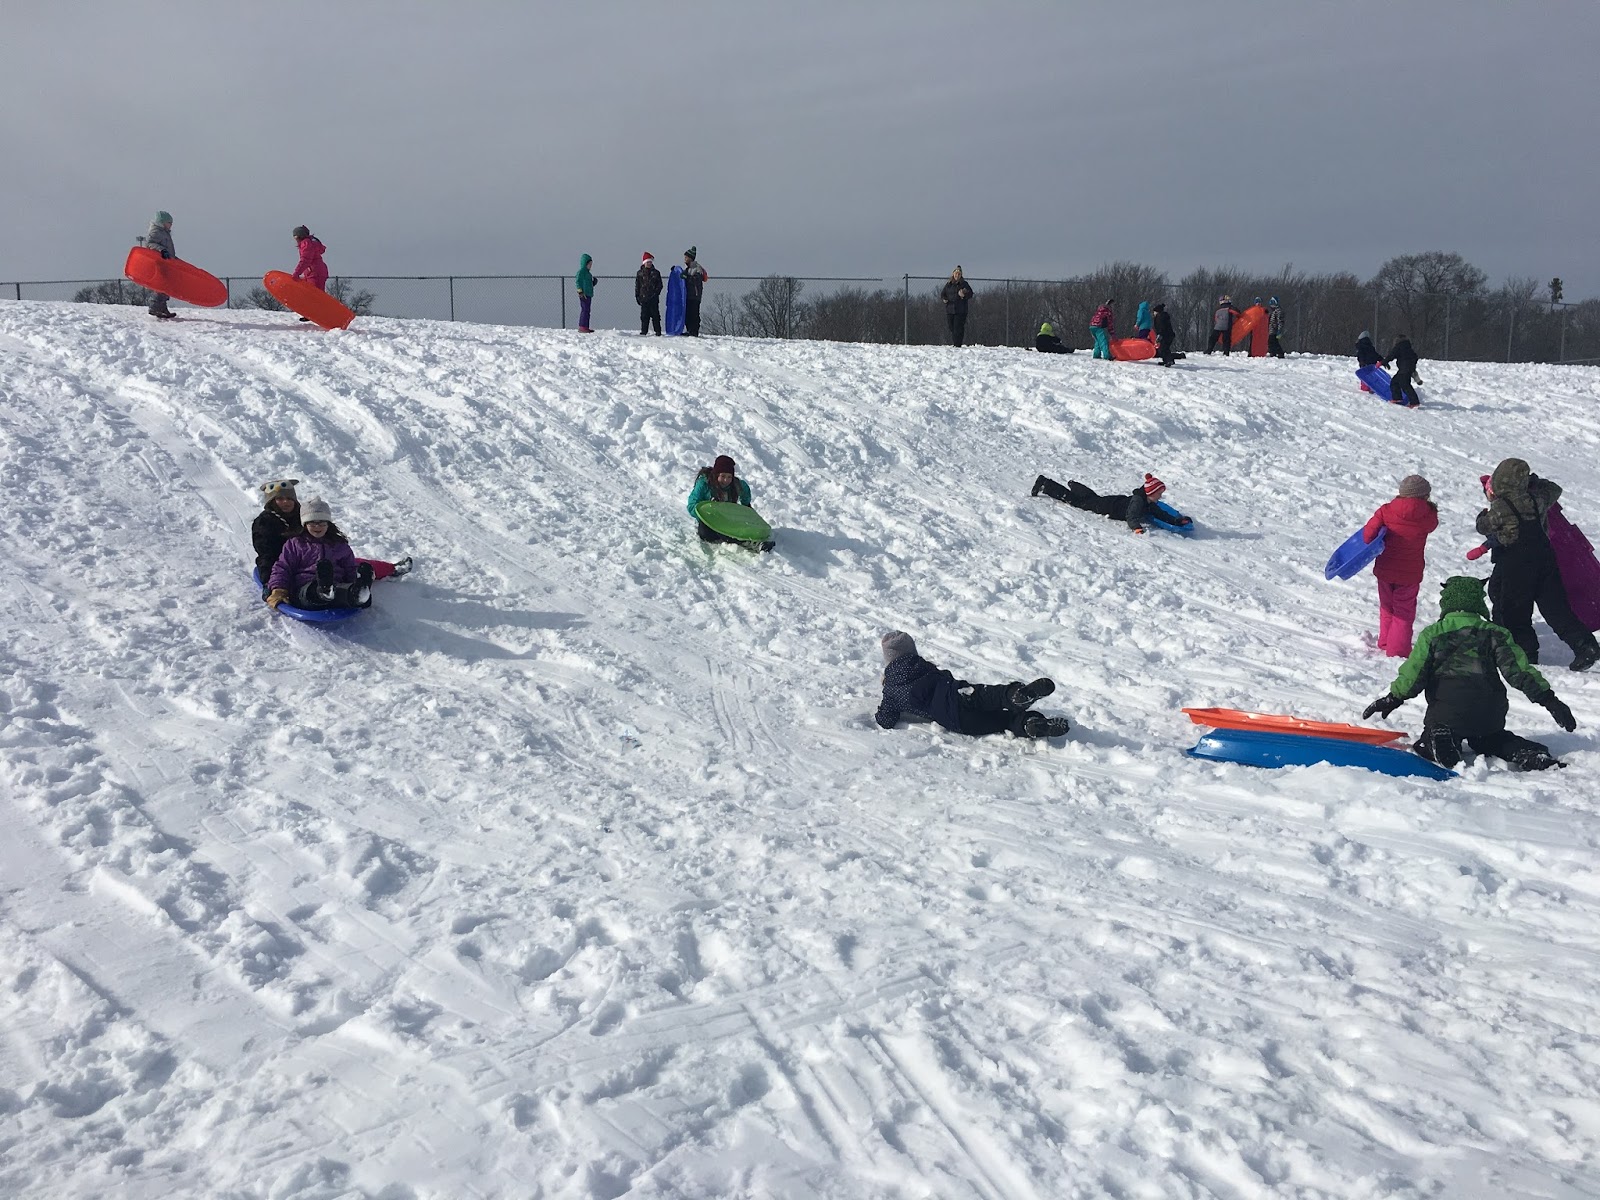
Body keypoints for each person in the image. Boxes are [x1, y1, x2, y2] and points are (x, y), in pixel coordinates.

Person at [1361, 576, 1575, 771]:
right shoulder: (1496, 633)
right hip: (1489, 713)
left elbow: (1414, 675)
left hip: (1448, 711)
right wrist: (1549, 699)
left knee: (1427, 741)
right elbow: (1518, 671)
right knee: (1492, 739)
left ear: (1447, 602)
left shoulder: (1433, 634)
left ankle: (1438, 741)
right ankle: (1529, 753)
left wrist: (1394, 698)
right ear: (1478, 603)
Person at [1475, 458, 1600, 670]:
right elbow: (1554, 488)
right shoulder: (1536, 498)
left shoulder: (1501, 507)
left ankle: (1526, 655)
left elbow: (1483, 527)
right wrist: (1533, 482)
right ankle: (1585, 645)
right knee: (1556, 608)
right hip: (1545, 558)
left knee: (1515, 611)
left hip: (1517, 562)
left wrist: (1481, 516)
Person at [875, 632, 1070, 739]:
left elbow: (886, 721)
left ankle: (1030, 725)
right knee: (995, 695)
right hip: (961, 694)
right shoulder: (924, 666)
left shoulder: (891, 691)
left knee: (1004, 721)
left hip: (958, 722)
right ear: (912, 652)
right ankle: (1015, 695)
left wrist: (885, 705)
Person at [252, 479, 409, 599]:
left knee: (355, 564)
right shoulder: (265, 522)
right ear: (271, 502)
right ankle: (323, 591)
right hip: (292, 562)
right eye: (280, 499)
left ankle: (390, 569)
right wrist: (269, 584)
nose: (285, 502)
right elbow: (268, 556)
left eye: (289, 498)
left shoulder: (303, 513)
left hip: (317, 553)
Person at [1361, 474, 1439, 657]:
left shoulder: (1386, 510)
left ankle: (1386, 641)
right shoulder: (1428, 515)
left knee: (1387, 606)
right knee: (1403, 611)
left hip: (1385, 569)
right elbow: (1432, 525)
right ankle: (1397, 650)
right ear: (1425, 495)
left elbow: (1367, 537)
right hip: (1410, 573)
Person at [265, 497, 374, 611]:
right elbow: (283, 567)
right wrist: (279, 589)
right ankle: (322, 591)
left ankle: (359, 594)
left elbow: (350, 568)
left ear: (328, 524)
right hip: (303, 588)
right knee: (311, 592)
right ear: (305, 524)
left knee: (345, 593)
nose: (317, 526)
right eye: (312, 523)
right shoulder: (296, 544)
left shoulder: (339, 545)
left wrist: (353, 581)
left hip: (335, 586)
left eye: (322, 522)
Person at [1031, 471, 1192, 534]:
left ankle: (1075, 486)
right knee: (1078, 503)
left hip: (1112, 501)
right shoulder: (1139, 502)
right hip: (1107, 507)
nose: (1160, 498)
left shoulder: (1147, 501)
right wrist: (1136, 528)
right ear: (1151, 493)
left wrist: (1176, 520)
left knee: (1090, 498)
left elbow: (1160, 513)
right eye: (1159, 494)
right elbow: (1131, 516)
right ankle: (1046, 484)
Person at [686, 454, 773, 551]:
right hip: (709, 520)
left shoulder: (736, 484)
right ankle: (750, 543)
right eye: (722, 476)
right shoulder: (704, 484)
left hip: (728, 517)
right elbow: (691, 505)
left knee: (735, 527)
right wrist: (705, 512)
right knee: (706, 534)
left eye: (729, 477)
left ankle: (752, 537)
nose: (726, 480)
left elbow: (745, 492)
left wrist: (747, 507)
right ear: (716, 475)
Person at [144, 211, 176, 319]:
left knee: (166, 285)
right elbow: (150, 243)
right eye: (169, 222)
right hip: (159, 263)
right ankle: (154, 306)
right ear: (162, 222)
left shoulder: (164, 232)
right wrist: (162, 250)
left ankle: (162, 308)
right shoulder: (156, 231)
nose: (171, 225)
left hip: (166, 262)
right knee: (161, 285)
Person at [1385, 332, 1421, 407]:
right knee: (1395, 382)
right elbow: (1415, 357)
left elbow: (1391, 356)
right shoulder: (1409, 348)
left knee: (1405, 385)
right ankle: (1397, 397)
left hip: (1404, 369)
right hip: (1408, 369)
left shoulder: (1398, 347)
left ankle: (1414, 402)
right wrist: (1412, 366)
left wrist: (1382, 362)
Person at [941, 267, 973, 347]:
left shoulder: (964, 284)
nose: (957, 275)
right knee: (951, 327)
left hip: (961, 310)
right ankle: (957, 343)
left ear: (961, 275)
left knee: (957, 328)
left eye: (959, 274)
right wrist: (944, 299)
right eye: (956, 273)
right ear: (953, 274)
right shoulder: (949, 284)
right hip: (950, 309)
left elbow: (970, 294)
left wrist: (964, 295)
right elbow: (943, 293)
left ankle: (957, 345)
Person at [290, 226, 328, 292]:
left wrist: (296, 273)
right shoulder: (311, 242)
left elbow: (305, 260)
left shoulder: (306, 244)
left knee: (314, 294)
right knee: (316, 294)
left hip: (314, 273)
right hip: (317, 272)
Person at [635, 253, 663, 336]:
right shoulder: (640, 273)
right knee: (644, 316)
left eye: (650, 262)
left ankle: (657, 331)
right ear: (644, 263)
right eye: (648, 262)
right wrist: (637, 296)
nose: (649, 264)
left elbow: (660, 285)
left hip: (653, 298)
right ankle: (644, 331)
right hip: (644, 298)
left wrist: (656, 293)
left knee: (655, 316)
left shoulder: (656, 273)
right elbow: (637, 285)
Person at [682, 247, 708, 337]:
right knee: (687, 313)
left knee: (694, 313)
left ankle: (694, 331)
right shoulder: (688, 269)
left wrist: (687, 277)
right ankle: (689, 329)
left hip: (694, 295)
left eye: (686, 257)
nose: (684, 259)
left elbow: (697, 279)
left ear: (690, 258)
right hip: (688, 295)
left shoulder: (697, 268)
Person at [1152, 302, 1177, 367]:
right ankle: (1167, 360)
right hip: (1168, 335)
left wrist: (1159, 335)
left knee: (1164, 348)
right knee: (1164, 348)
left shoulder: (1160, 317)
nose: (1153, 313)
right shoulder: (1162, 316)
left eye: (1154, 312)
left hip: (1166, 336)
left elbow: (1161, 327)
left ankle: (1169, 361)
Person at [575, 253, 595, 333]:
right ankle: (582, 326)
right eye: (589, 264)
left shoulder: (589, 274)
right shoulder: (581, 272)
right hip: (583, 294)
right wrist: (580, 292)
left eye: (591, 264)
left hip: (589, 294)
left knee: (587, 310)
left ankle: (586, 326)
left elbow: (588, 284)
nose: (590, 266)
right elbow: (578, 282)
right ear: (585, 263)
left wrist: (593, 283)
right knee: (584, 309)